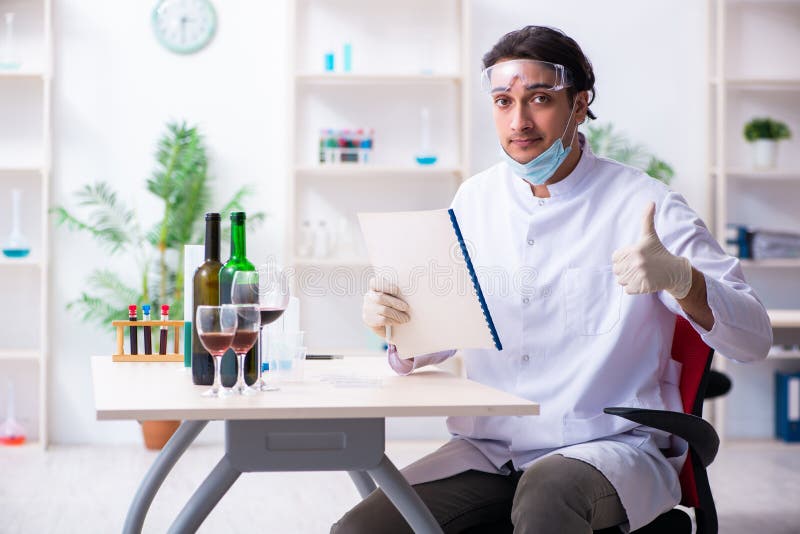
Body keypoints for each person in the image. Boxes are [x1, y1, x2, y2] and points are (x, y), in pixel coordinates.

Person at [333, 26, 772, 534]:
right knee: (363, 529)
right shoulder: (474, 201)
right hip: (489, 452)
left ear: (580, 103)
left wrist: (683, 280)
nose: (519, 121)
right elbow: (441, 332)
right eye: (503, 101)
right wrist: (399, 324)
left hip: (605, 447)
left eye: (539, 99)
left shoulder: (647, 205)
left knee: (546, 497)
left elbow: (754, 338)